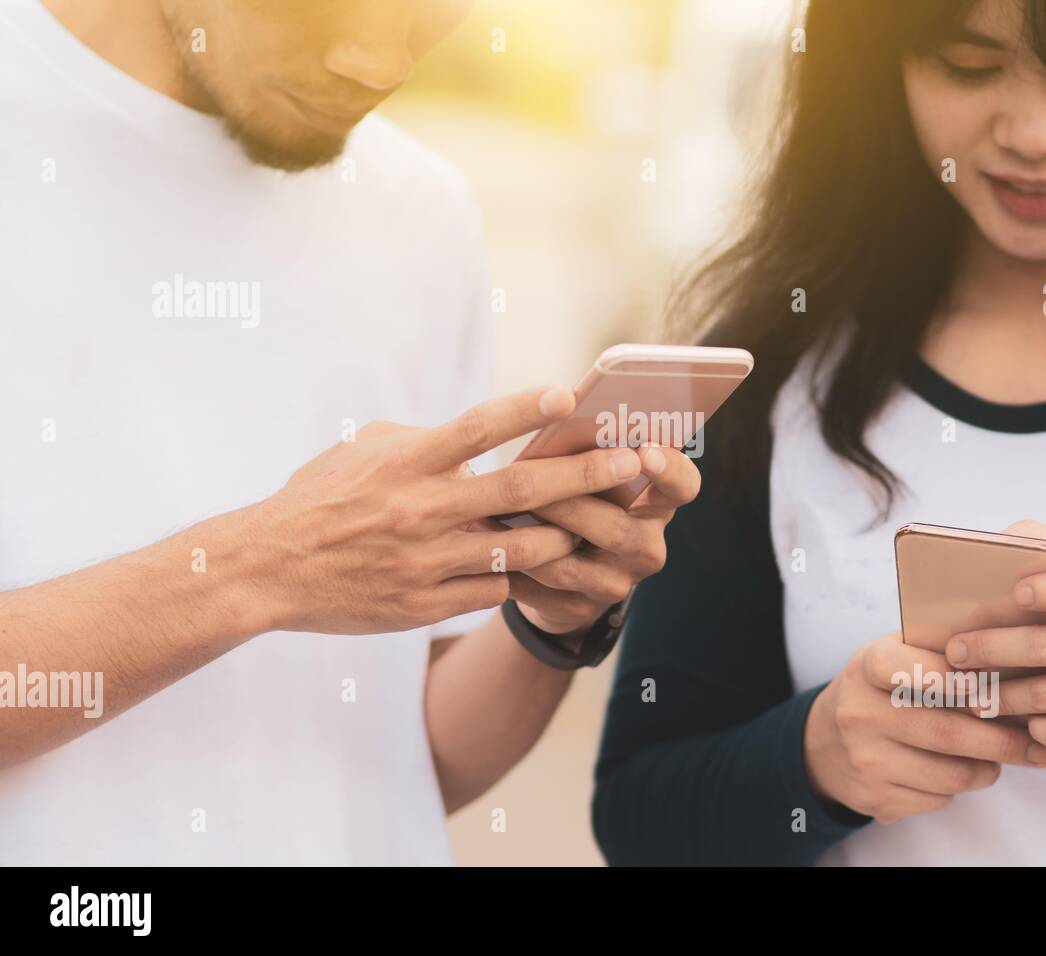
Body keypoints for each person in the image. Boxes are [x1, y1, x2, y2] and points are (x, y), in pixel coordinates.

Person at [593, 0, 1046, 865]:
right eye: (967, 64)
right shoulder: (763, 380)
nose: (1033, 132)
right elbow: (640, 825)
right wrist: (817, 757)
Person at [0, 0, 699, 865]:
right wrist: (262, 567)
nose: (375, 61)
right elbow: (284, 567)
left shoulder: (424, 212)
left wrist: (556, 617)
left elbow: (409, 761)